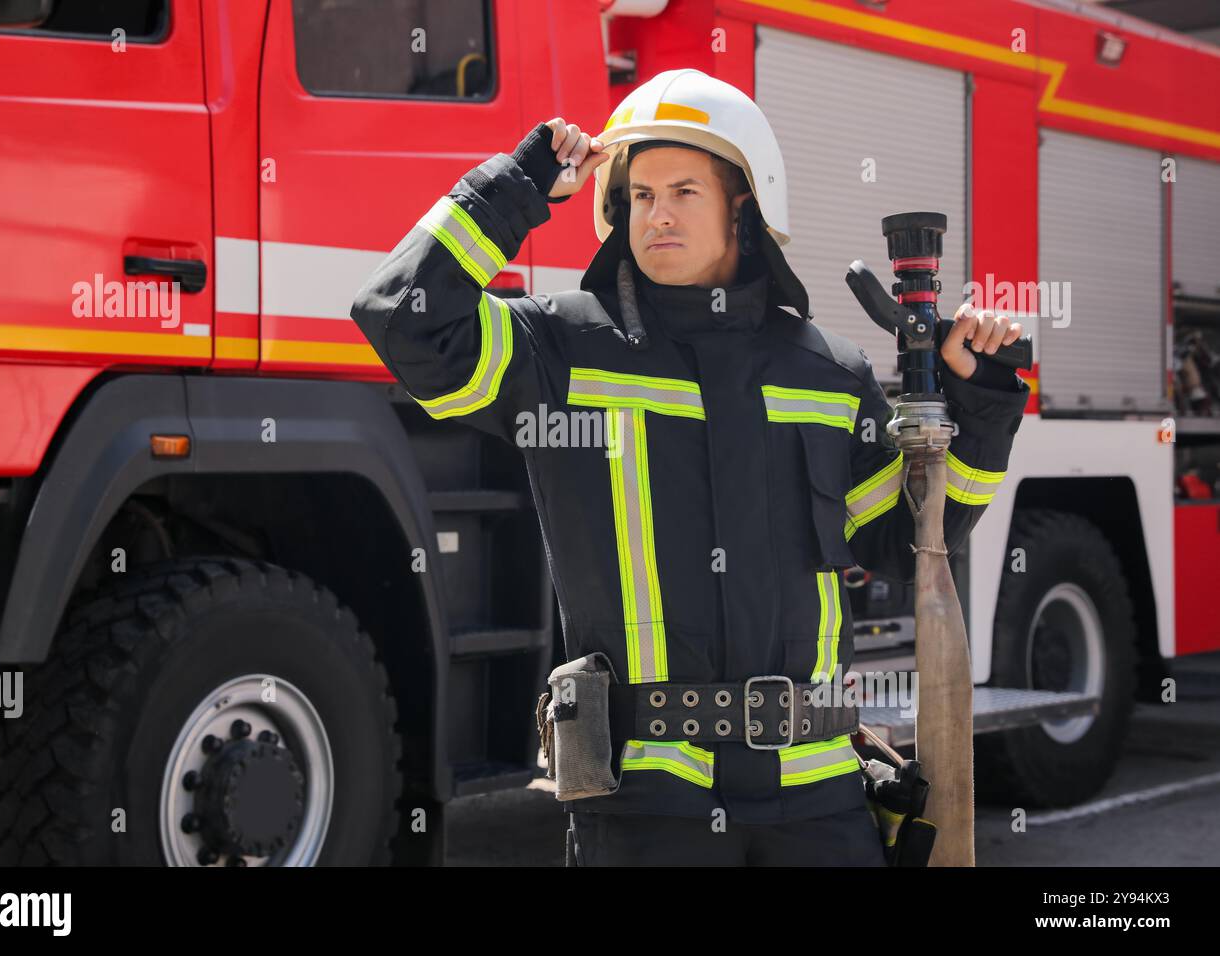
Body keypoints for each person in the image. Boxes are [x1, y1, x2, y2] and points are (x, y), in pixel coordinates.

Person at [349, 69, 1030, 866]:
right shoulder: (561, 349)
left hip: (820, 806)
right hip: (646, 807)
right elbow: (401, 318)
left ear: (744, 205)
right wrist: (517, 187)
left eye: (683, 191)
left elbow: (914, 538)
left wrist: (977, 398)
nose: (657, 214)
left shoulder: (827, 370)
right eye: (640, 195)